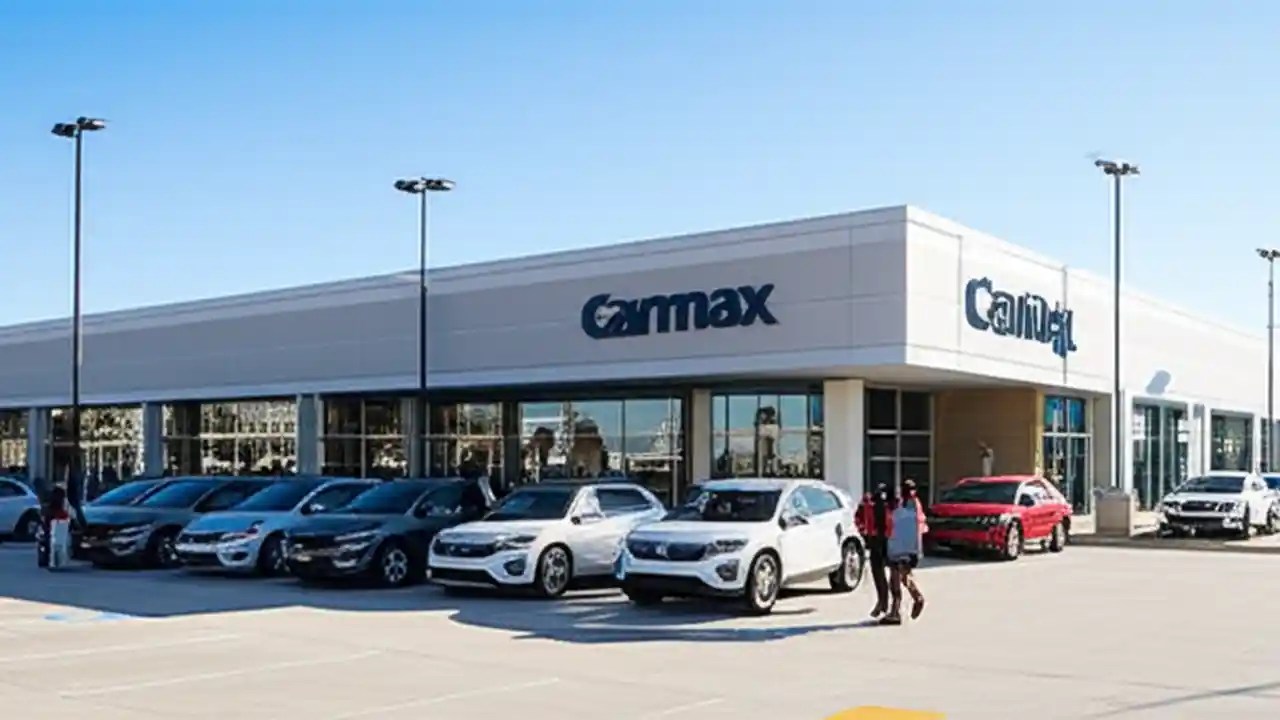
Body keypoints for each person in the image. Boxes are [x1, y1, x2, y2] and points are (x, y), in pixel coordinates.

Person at [884, 478, 927, 625]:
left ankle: (896, 611)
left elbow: (894, 524)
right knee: (904, 577)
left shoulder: (901, 507)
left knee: (895, 580)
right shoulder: (915, 505)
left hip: (898, 548)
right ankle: (914, 598)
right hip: (910, 549)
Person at [855, 482, 893, 618]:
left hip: (890, 540)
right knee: (878, 573)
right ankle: (882, 602)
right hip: (876, 540)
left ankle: (894, 605)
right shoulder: (867, 504)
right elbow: (858, 517)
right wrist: (864, 532)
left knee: (896, 574)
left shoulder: (893, 504)